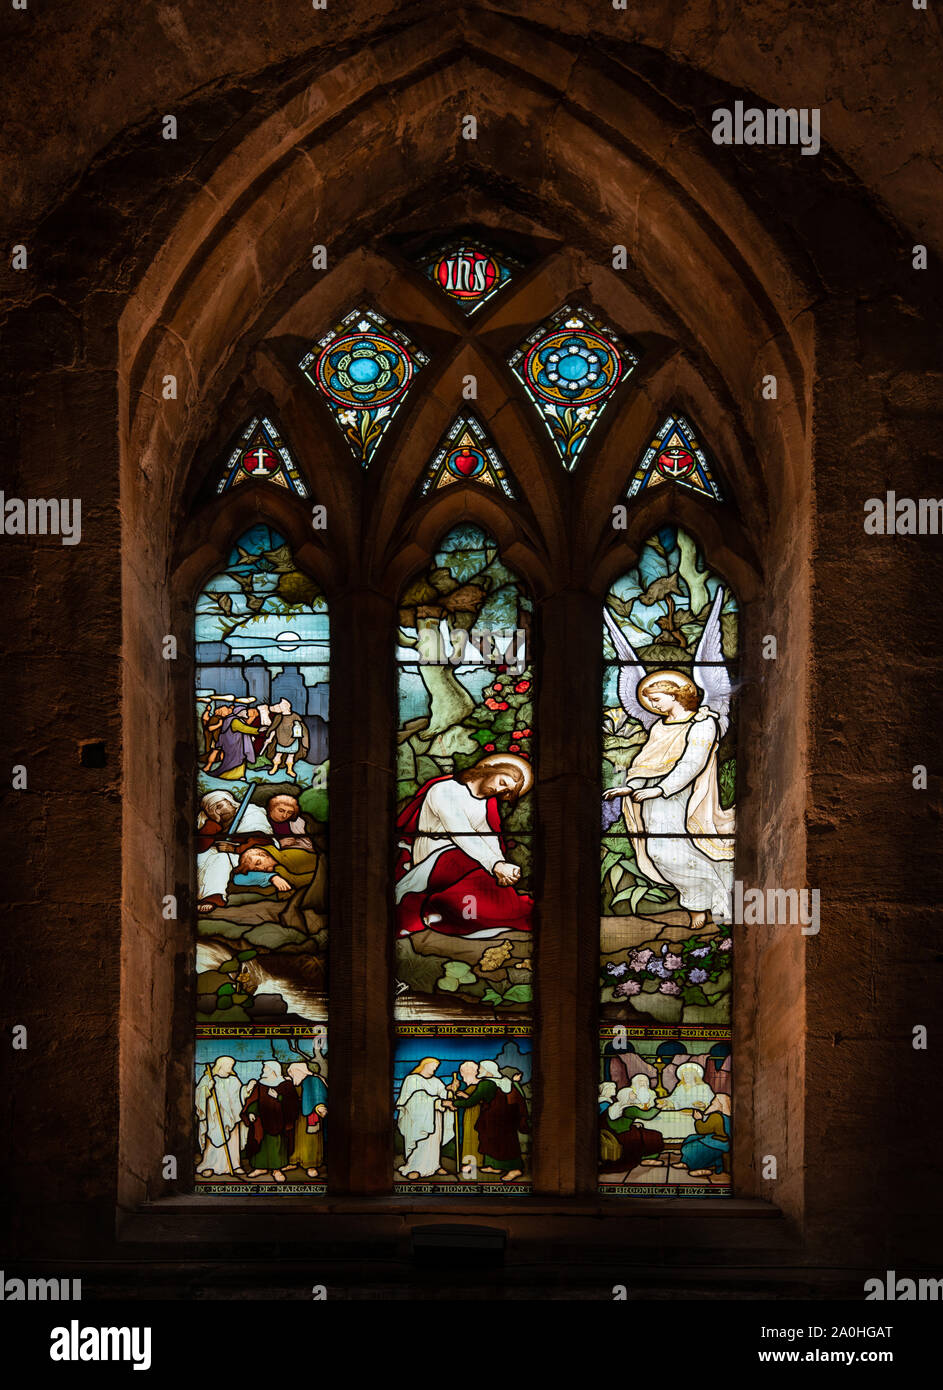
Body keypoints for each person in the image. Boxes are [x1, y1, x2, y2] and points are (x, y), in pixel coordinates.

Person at [602, 673, 734, 927]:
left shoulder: (703, 723)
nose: (654, 705)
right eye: (650, 701)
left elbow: (693, 763)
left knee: (676, 851)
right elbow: (645, 764)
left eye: (657, 699)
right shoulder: (660, 726)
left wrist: (662, 789)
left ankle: (705, 903)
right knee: (662, 853)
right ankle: (700, 902)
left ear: (675, 696)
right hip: (652, 799)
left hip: (685, 796)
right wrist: (631, 787)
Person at [395, 753, 533, 938]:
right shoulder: (444, 790)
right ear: (490, 770)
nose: (499, 791)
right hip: (436, 856)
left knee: (493, 891)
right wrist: (495, 865)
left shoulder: (482, 802)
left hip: (467, 858)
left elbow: (487, 835)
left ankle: (440, 909)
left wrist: (501, 864)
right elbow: (462, 833)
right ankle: (420, 907)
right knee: (472, 866)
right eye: (502, 782)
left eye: (505, 791)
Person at [447, 1059, 529, 1182]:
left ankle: (515, 1169)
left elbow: (471, 1101)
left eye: (480, 1068)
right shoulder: (505, 1081)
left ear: (488, 1071)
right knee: (498, 1143)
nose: (479, 1071)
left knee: (502, 1144)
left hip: (494, 1119)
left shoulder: (486, 1084)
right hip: (507, 1119)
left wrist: (453, 1102)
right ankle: (495, 1167)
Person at [196, 790, 273, 912]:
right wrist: (211, 828)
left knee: (221, 858)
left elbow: (263, 839)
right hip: (222, 851)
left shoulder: (250, 812)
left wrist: (234, 848)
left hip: (250, 853)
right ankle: (198, 895)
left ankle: (214, 897)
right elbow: (199, 847)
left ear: (230, 802)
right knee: (202, 856)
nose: (218, 812)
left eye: (220, 806)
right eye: (211, 811)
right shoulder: (209, 821)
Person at [240, 1061, 299, 1183]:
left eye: (265, 1067)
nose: (263, 1069)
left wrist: (278, 1097)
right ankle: (260, 1168)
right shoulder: (260, 1084)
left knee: (276, 1146)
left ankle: (277, 1170)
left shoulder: (286, 1085)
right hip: (261, 1122)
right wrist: (251, 1112)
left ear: (273, 1070)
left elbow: (293, 1103)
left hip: (279, 1122)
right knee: (260, 1145)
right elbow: (254, 1101)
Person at [395, 1057, 454, 1179]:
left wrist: (451, 1091)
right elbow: (415, 1099)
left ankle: (434, 1166)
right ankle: (415, 1167)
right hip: (417, 1120)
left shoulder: (436, 1081)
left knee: (434, 1143)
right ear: (425, 1065)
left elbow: (443, 1094)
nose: (435, 1068)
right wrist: (440, 1103)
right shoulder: (412, 1079)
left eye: (436, 1066)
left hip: (435, 1118)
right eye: (433, 1065)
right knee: (421, 1142)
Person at [599, 1076, 664, 1172]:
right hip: (624, 1134)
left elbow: (617, 1122)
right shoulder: (629, 1108)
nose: (635, 1095)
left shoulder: (616, 1106)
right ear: (627, 1096)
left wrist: (632, 1125)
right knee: (654, 1136)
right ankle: (647, 1158)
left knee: (644, 1133)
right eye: (632, 1093)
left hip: (615, 1132)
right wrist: (659, 1107)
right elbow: (648, 1115)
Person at [195, 1056, 245, 1177]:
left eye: (231, 1065)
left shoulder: (235, 1080)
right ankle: (210, 1165)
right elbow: (199, 1095)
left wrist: (247, 1091)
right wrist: (208, 1088)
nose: (231, 1067)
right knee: (214, 1138)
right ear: (220, 1065)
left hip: (232, 1115)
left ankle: (234, 1164)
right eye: (228, 1064)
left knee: (232, 1140)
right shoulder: (208, 1078)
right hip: (215, 1116)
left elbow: (239, 1096)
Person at [285, 1060, 328, 1178]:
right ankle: (294, 1161)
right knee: (296, 1140)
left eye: (293, 1072)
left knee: (311, 1141)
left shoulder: (314, 1081)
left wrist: (320, 1107)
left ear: (300, 1071)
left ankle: (311, 1165)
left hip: (310, 1116)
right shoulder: (295, 1083)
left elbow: (319, 1095)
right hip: (297, 1117)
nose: (292, 1075)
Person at [654, 1061, 715, 1142]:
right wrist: (665, 1101)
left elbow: (713, 1103)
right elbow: (672, 1099)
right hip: (680, 1115)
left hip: (696, 1116)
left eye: (689, 1074)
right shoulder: (680, 1087)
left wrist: (704, 1105)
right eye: (684, 1074)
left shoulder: (704, 1087)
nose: (686, 1076)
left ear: (695, 1075)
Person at [676, 1092, 731, 1177]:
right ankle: (685, 1162)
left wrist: (698, 1119)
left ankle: (699, 1167)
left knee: (691, 1148)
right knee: (690, 1138)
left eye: (714, 1101)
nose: (712, 1102)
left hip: (718, 1144)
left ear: (720, 1105)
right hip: (719, 1141)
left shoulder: (716, 1117)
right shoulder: (726, 1116)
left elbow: (702, 1130)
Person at [259, 698, 309, 778]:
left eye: (280, 706)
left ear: (286, 707)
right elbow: (274, 729)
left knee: (291, 755)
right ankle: (275, 767)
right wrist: (270, 738)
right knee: (278, 755)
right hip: (280, 739)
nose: (278, 707)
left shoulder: (295, 716)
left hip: (293, 740)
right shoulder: (278, 717)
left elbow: (301, 728)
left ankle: (289, 769)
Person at [215, 702, 262, 780]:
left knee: (239, 759)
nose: (246, 713)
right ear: (239, 712)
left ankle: (240, 775)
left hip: (234, 744)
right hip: (234, 745)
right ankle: (227, 775)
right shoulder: (235, 721)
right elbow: (244, 729)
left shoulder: (233, 719)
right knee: (235, 760)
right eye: (244, 712)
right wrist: (258, 730)